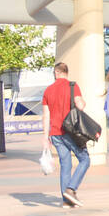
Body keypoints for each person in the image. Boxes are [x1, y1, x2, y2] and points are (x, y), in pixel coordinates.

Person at [41, 62, 91, 206]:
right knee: (85, 159)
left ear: (56, 72)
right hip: (70, 132)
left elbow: (46, 115)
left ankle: (66, 202)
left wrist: (45, 137)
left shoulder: (48, 91)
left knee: (65, 165)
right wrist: (80, 101)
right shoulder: (72, 86)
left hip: (55, 134)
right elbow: (80, 105)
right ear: (66, 73)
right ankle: (71, 190)